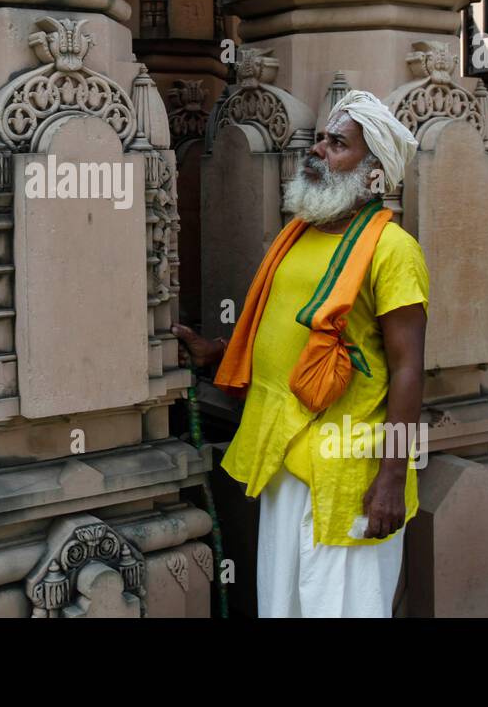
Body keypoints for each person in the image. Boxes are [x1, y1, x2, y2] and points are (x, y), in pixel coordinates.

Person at [174, 89, 429, 618]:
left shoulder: (394, 249)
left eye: (337, 144)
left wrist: (391, 478)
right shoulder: (298, 233)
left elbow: (408, 369)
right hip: (285, 459)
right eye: (319, 140)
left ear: (375, 171)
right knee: (284, 603)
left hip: (350, 467)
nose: (317, 152)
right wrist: (218, 354)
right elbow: (284, 330)